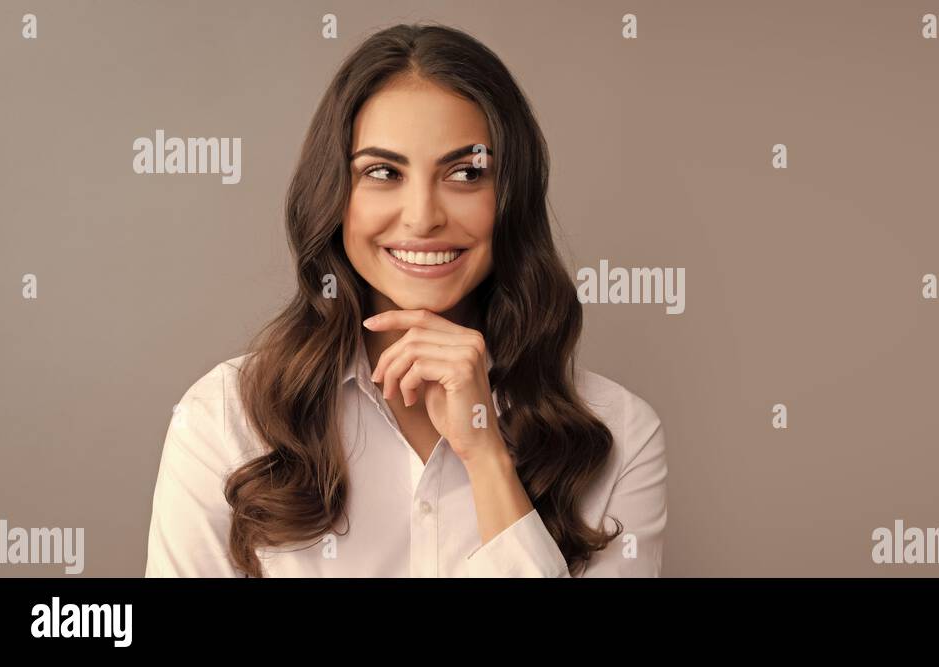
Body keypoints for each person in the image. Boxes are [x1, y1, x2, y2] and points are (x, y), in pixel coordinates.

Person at [145, 23, 667, 577]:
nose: (422, 217)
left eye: (466, 173)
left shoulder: (620, 434)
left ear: (511, 197)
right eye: (383, 172)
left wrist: (488, 459)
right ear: (334, 196)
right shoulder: (224, 419)